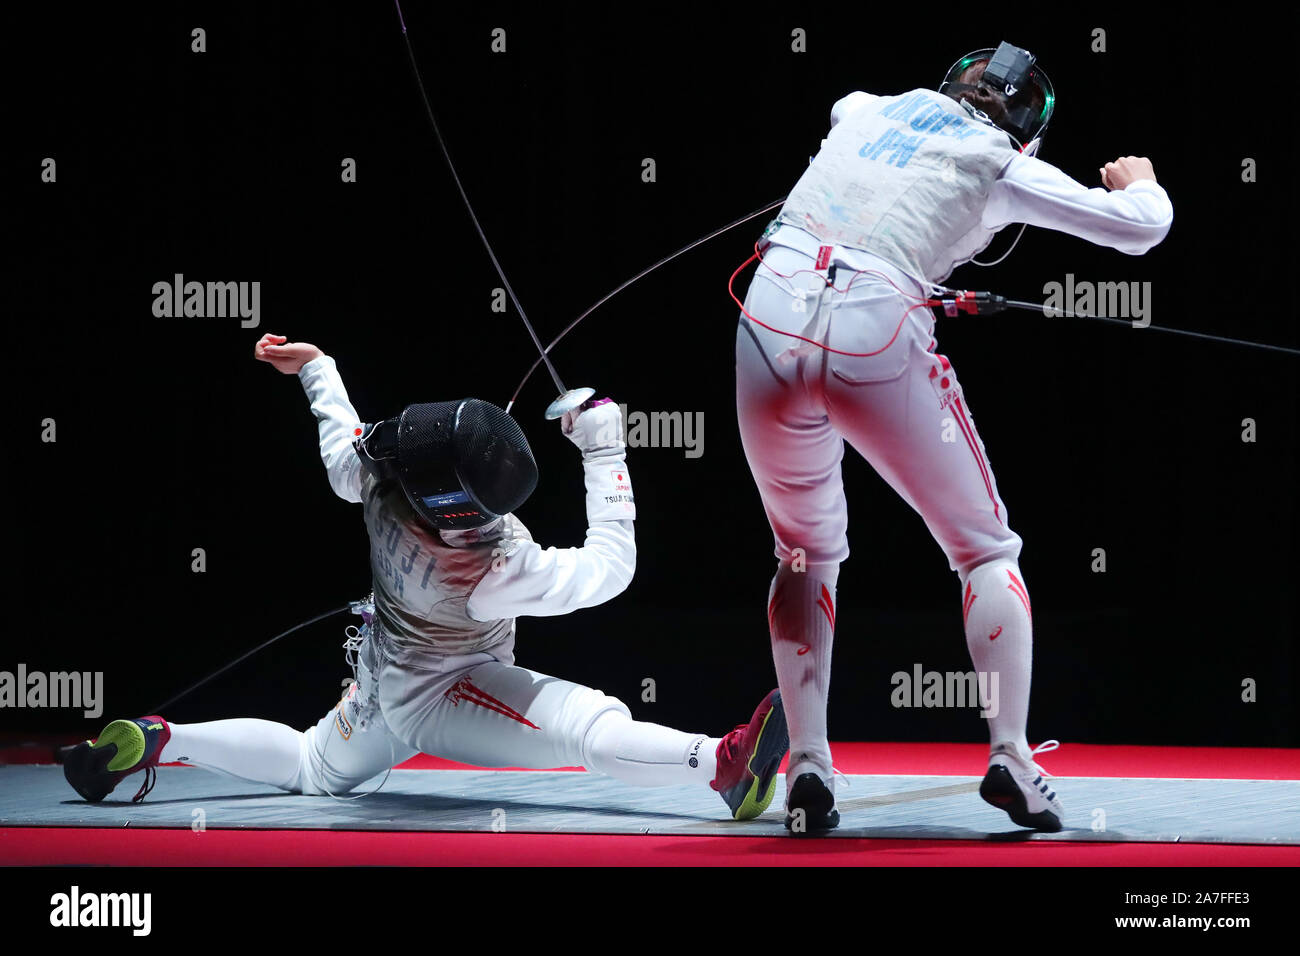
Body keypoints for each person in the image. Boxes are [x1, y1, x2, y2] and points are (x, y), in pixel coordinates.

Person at [60, 333, 789, 822]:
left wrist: (317, 366)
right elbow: (611, 569)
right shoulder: (489, 570)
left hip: (382, 680)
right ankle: (724, 768)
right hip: (449, 690)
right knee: (582, 725)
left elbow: (340, 437)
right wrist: (603, 450)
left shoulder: (376, 479)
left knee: (316, 765)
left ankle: (164, 737)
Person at [732, 42, 1173, 833]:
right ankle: (1012, 757)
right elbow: (1141, 231)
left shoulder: (869, 107)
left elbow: (847, 109)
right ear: (1027, 131)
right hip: (873, 329)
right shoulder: (1002, 163)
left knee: (801, 551)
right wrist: (1141, 183)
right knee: (984, 551)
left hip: (767, 312)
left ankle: (806, 766)